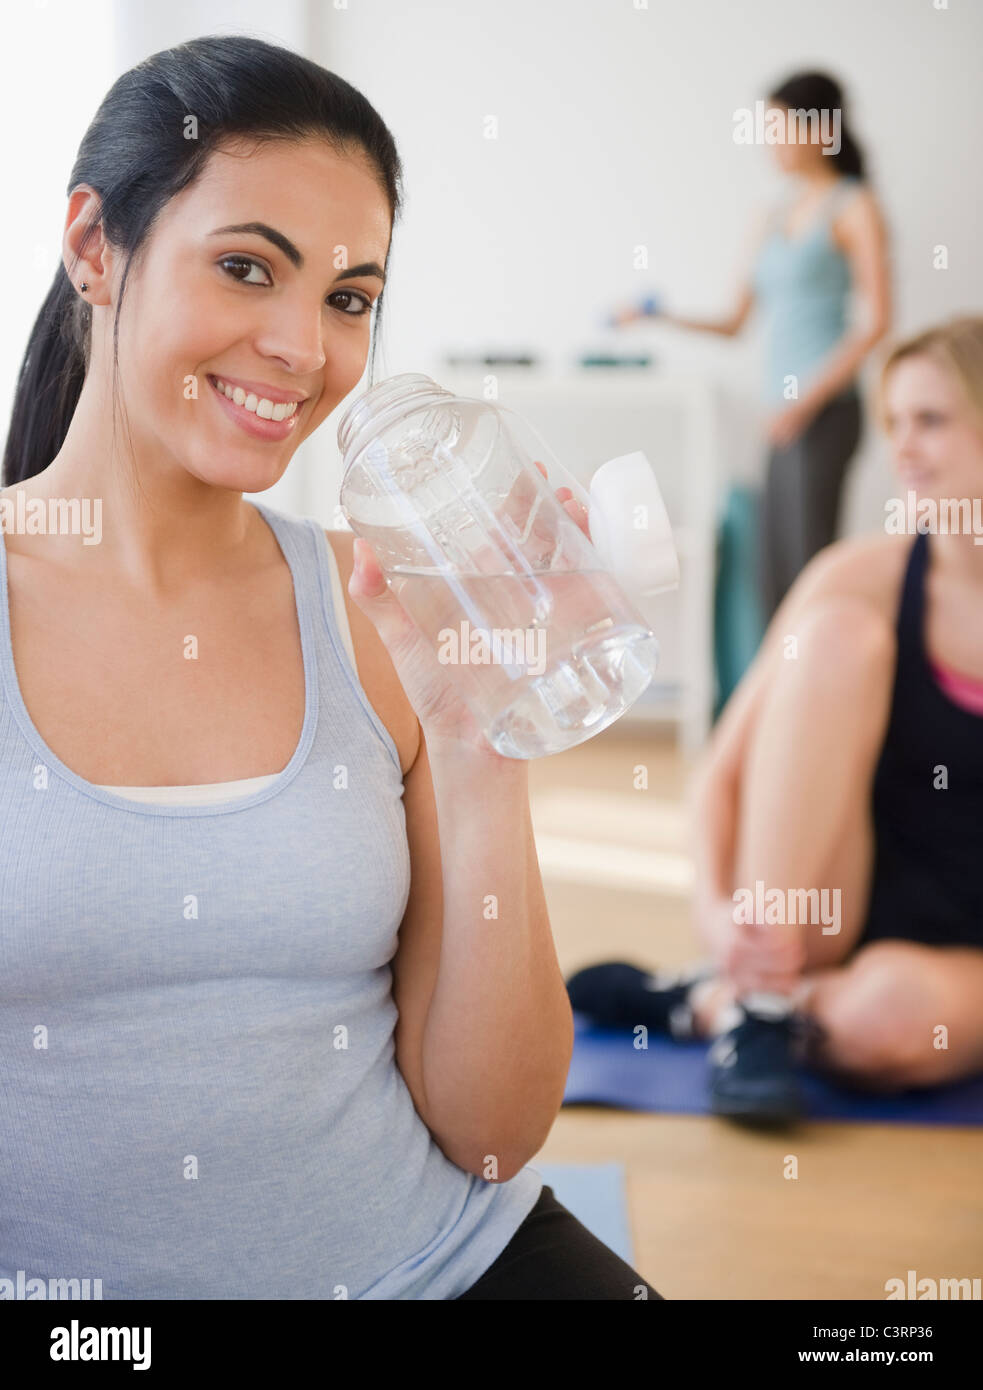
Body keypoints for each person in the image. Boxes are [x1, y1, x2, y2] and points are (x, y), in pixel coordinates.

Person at [0, 34, 661, 1300]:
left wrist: (483, 746)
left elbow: (490, 1133)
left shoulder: (383, 607)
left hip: (439, 1267)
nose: (304, 348)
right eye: (247, 268)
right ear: (95, 246)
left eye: (349, 297)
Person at [567, 316, 983, 1124]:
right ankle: (759, 1002)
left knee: (882, 1028)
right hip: (840, 910)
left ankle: (702, 1004)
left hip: (955, 963)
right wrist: (724, 917)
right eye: (891, 423)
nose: (901, 448)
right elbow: (721, 772)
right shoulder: (860, 578)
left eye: (929, 420)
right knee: (832, 637)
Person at [612, 70, 891, 621]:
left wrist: (804, 402)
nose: (772, 141)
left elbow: (877, 322)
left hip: (825, 412)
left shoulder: (854, 207)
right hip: (780, 416)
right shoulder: (772, 214)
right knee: (774, 576)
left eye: (781, 126)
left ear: (818, 130)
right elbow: (736, 322)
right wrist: (661, 317)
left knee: (812, 570)